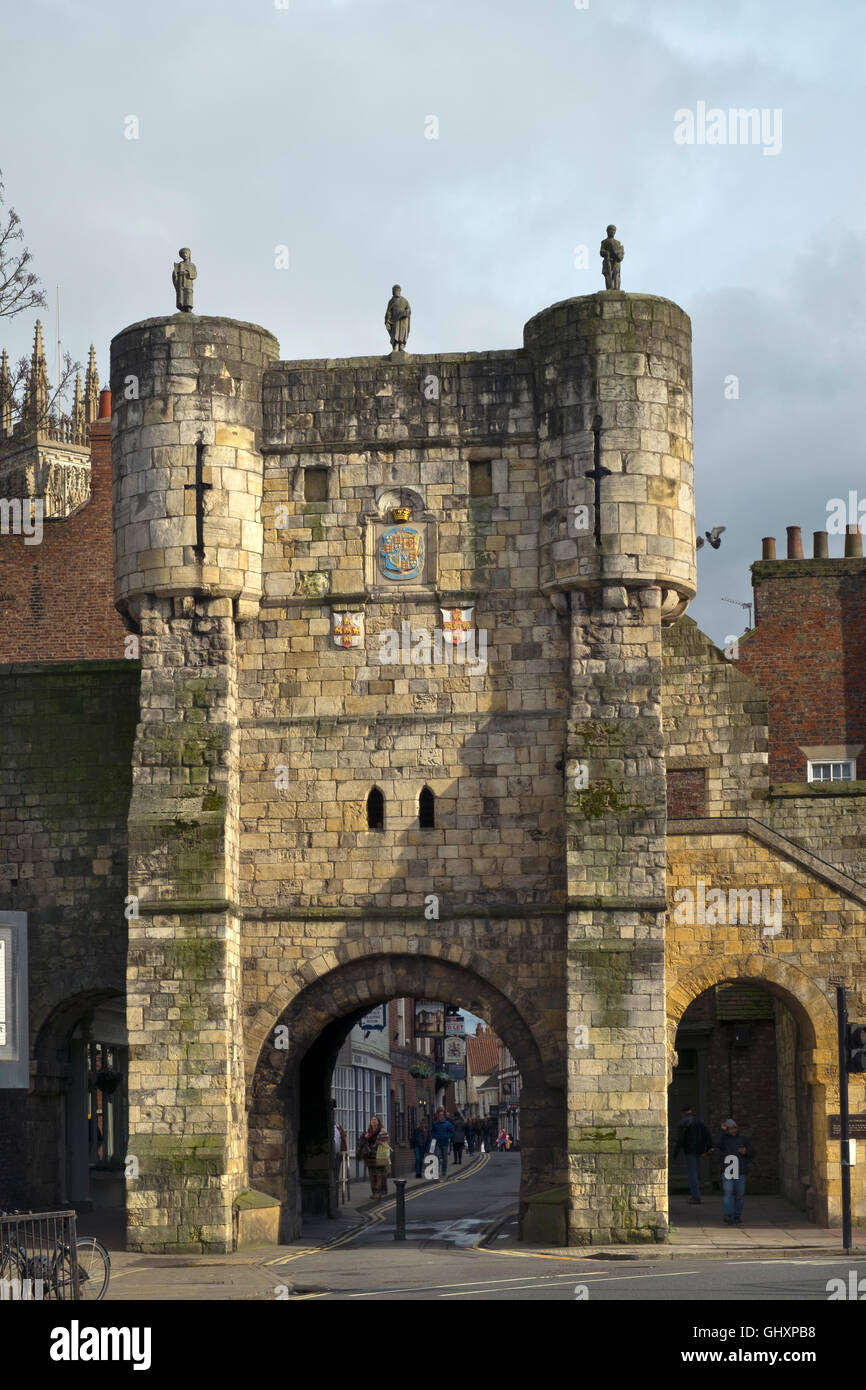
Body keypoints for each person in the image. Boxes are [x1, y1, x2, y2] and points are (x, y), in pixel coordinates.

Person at [714, 1118, 755, 1226]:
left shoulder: (743, 1139)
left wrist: (746, 1151)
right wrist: (722, 1131)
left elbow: (752, 1151)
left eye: (734, 1128)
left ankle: (737, 1215)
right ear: (727, 1130)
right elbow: (716, 1144)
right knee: (727, 1193)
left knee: (739, 1195)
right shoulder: (724, 1139)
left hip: (740, 1171)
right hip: (728, 1170)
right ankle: (728, 1215)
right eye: (730, 1129)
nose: (732, 1130)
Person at [672, 1105, 713, 1205]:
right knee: (695, 1173)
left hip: (689, 1151)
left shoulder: (683, 1123)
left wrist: (675, 1153)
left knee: (692, 1174)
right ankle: (696, 1195)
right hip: (699, 1150)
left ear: (683, 1113)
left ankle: (696, 1197)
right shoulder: (699, 1121)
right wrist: (709, 1148)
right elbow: (707, 1134)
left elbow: (680, 1140)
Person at [356, 1115, 385, 1199]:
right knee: (372, 1175)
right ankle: (373, 1192)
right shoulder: (367, 1133)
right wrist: (364, 1138)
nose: (373, 1121)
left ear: (378, 1122)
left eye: (375, 1119)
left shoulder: (382, 1131)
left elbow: (385, 1141)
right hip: (369, 1157)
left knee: (379, 1175)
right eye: (372, 1120)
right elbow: (361, 1142)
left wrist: (376, 1144)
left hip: (379, 1156)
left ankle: (378, 1192)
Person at [430, 1106, 454, 1178]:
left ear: (444, 1116)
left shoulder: (448, 1124)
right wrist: (435, 1136)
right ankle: (437, 1171)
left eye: (441, 1115)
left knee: (445, 1158)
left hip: (445, 1143)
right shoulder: (435, 1124)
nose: (440, 1117)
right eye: (439, 1116)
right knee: (437, 1157)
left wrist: (446, 1136)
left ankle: (444, 1171)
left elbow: (451, 1132)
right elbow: (432, 1132)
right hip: (437, 1143)